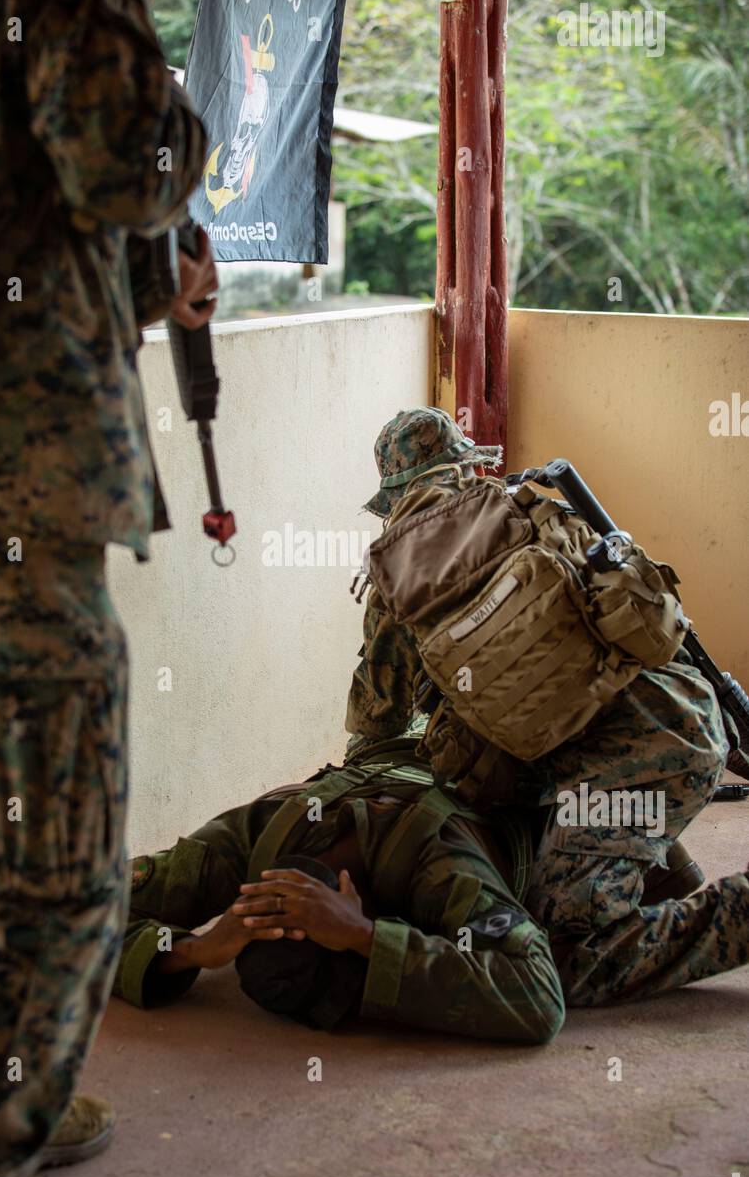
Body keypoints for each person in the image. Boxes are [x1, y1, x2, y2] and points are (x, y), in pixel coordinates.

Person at [0, 0, 239, 1177]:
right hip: (5, 484)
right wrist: (192, 125)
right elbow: (125, 165)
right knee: (53, 840)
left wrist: (160, 287)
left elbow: (20, 237)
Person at [345, 408, 735, 1006]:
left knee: (568, 957)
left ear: (396, 494)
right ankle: (656, 869)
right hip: (684, 710)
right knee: (525, 738)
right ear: (464, 466)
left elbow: (378, 725)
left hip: (634, 762)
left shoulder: (400, 578)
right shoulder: (530, 511)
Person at [113, 730, 749, 1035]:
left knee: (574, 966)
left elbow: (538, 997)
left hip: (573, 796)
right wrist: (197, 948)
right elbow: (84, 912)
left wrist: (364, 939)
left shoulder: (436, 861)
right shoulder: (257, 839)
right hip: (425, 743)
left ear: (351, 896)